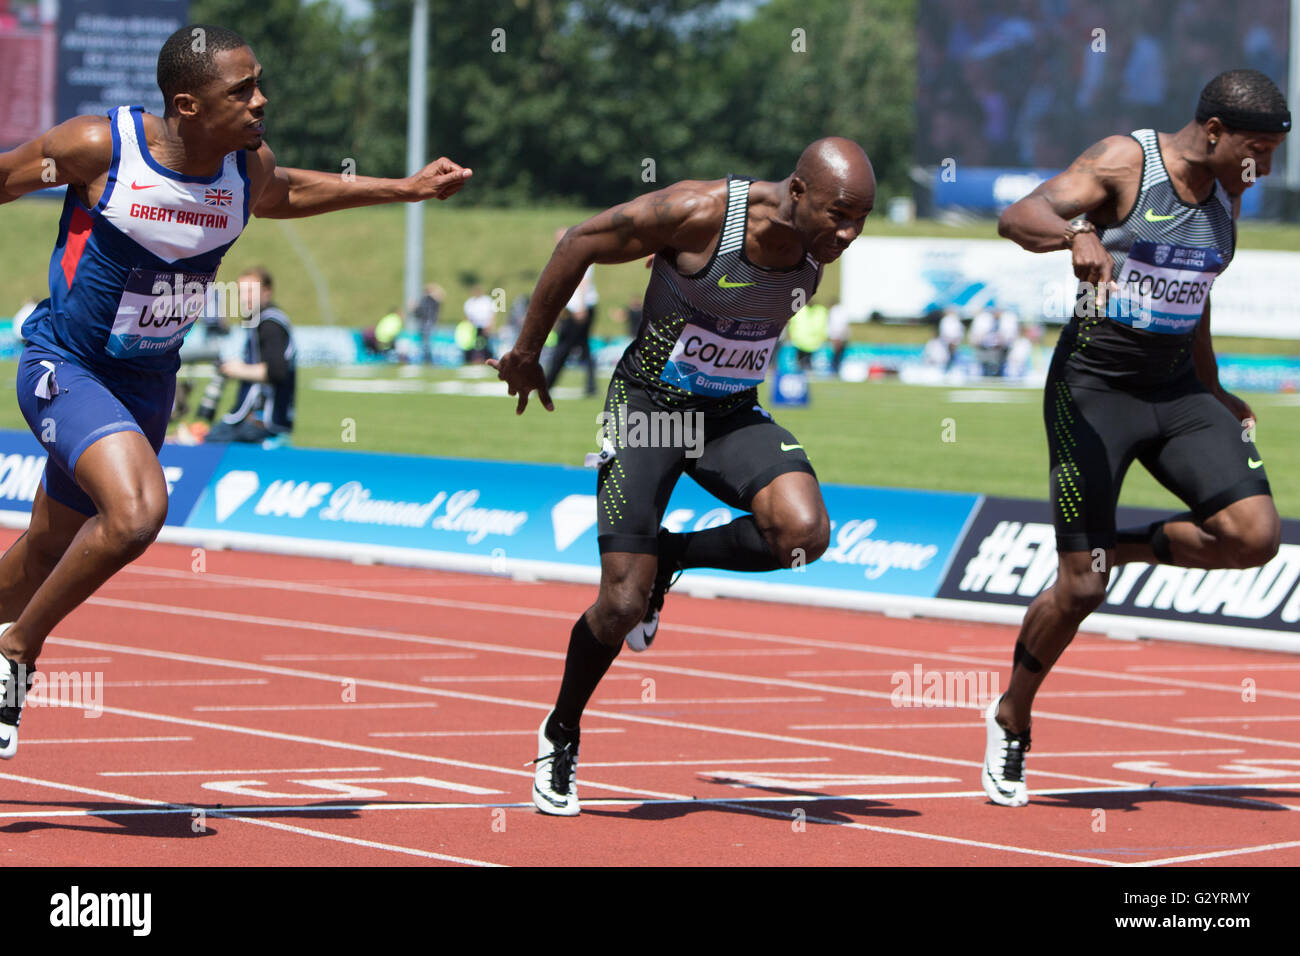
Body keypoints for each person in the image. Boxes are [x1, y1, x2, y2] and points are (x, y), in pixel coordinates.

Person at [0, 23, 471, 756]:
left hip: (148, 384)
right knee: (136, 514)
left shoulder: (243, 168)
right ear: (187, 105)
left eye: (259, 83)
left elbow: (285, 193)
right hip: (67, 367)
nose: (261, 100)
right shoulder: (101, 148)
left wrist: (403, 188)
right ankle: (18, 654)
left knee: (42, 554)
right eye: (241, 90)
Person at [491, 137, 875, 815]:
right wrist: (528, 351)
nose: (847, 234)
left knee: (803, 533)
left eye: (861, 220)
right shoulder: (700, 213)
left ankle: (674, 553)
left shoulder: (820, 244)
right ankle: (561, 731)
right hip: (649, 411)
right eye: (839, 215)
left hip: (726, 413)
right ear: (798, 191)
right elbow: (579, 241)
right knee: (620, 605)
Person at [984, 68, 1288, 807]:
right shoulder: (1126, 162)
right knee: (1083, 587)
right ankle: (1011, 715)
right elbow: (1018, 216)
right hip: (1094, 387)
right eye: (1259, 150)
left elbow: (1197, 294)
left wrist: (1212, 388)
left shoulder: (1231, 188)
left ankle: (1117, 544)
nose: (1268, 168)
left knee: (1253, 537)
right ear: (1214, 132)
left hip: (1177, 388)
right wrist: (1078, 233)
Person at [204, 266, 294, 444]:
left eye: (251, 291)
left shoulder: (271, 324)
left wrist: (237, 369)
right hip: (255, 417)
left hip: (264, 419)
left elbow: (276, 371)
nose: (246, 298)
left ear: (267, 292)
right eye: (242, 292)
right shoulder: (257, 321)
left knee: (208, 443)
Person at [544, 230, 598, 396]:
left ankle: (548, 383)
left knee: (563, 347)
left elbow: (582, 283)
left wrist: (580, 307)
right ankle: (590, 386)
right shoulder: (565, 257)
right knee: (583, 347)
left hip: (579, 308)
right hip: (574, 308)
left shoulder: (578, 255)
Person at [411, 282, 443, 365]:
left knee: (427, 344)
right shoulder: (425, 300)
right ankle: (427, 359)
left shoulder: (430, 300)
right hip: (426, 324)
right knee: (425, 344)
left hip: (427, 324)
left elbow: (441, 294)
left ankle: (428, 360)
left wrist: (414, 308)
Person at [462, 285, 495, 362]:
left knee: (486, 345)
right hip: (474, 327)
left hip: (485, 326)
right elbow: (468, 316)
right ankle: (472, 360)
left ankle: (488, 360)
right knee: (473, 345)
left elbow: (492, 314)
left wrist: (490, 325)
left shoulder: (487, 301)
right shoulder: (470, 302)